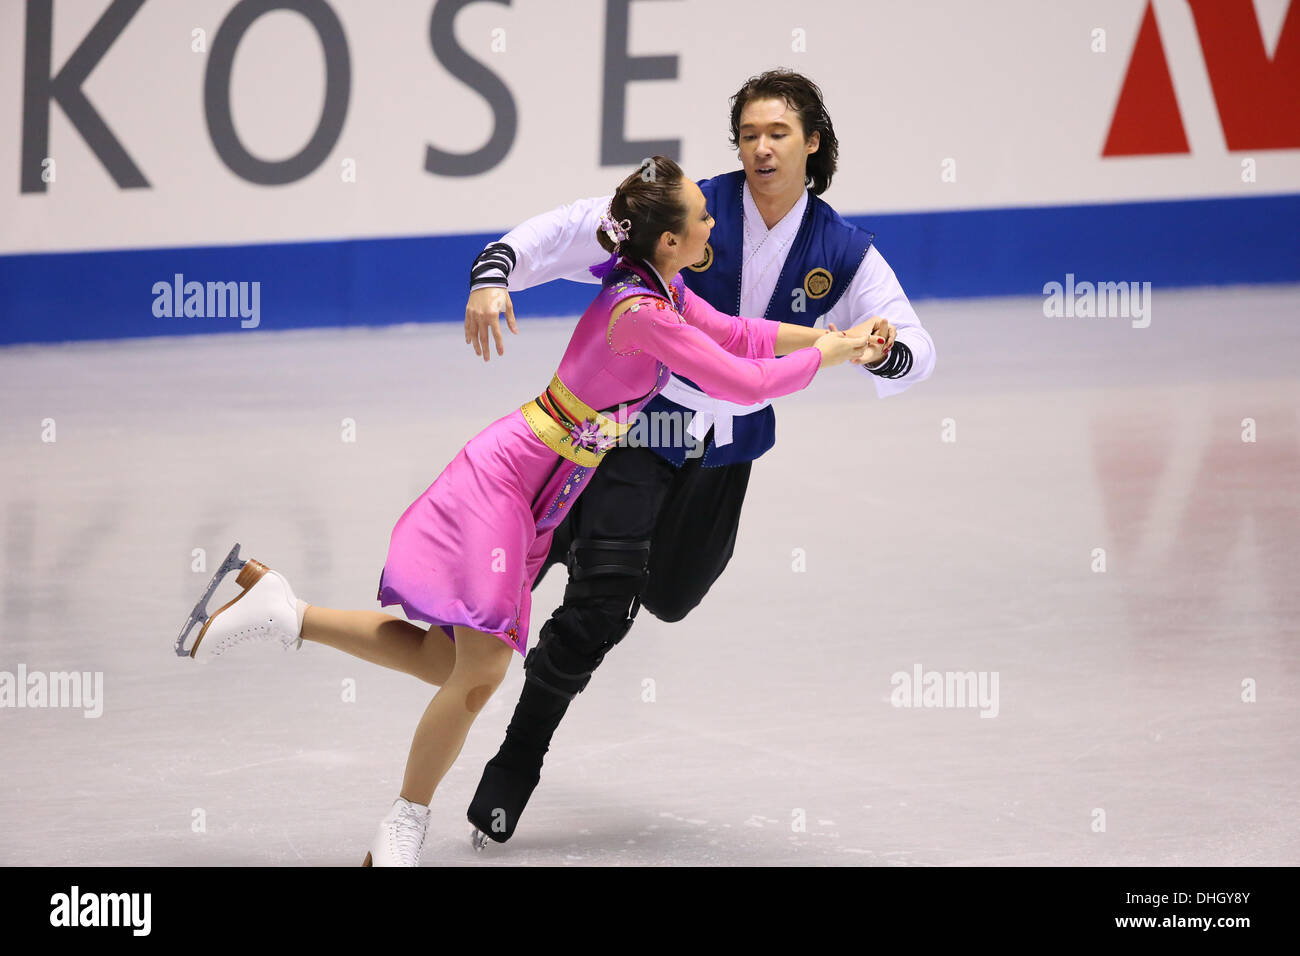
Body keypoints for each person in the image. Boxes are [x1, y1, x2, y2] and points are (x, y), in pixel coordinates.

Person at [177, 155, 874, 866]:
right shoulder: (642, 314)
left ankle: (284, 610)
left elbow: (742, 336)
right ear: (669, 240)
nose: (712, 222)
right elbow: (743, 379)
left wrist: (834, 338)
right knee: (479, 675)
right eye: (702, 215)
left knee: (443, 659)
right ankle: (402, 826)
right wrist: (838, 355)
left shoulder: (660, 293)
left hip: (546, 489)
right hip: (508, 480)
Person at [463, 70, 936, 845]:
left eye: (778, 133)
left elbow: (916, 346)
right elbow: (574, 228)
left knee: (673, 594)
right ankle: (514, 768)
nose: (760, 148)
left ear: (812, 142)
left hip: (727, 453)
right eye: (748, 134)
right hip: (643, 433)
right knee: (597, 612)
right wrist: (495, 271)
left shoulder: (841, 248)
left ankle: (581, 532)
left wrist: (881, 355)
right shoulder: (691, 210)